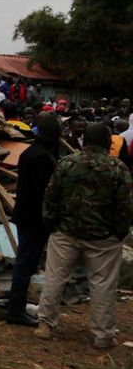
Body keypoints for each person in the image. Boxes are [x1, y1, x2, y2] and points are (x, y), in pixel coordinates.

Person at [35, 122, 133, 349]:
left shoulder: (67, 163)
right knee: (102, 285)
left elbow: (51, 197)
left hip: (66, 232)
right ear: (107, 143)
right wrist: (120, 231)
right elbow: (125, 205)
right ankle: (103, 336)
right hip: (103, 238)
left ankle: (45, 324)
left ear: (84, 140)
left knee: (55, 278)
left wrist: (52, 224)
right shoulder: (117, 168)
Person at [6, 113, 62, 325]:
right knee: (25, 264)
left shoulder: (32, 151)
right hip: (34, 218)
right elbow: (44, 193)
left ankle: (17, 308)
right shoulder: (41, 157)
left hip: (27, 216)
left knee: (26, 263)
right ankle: (16, 311)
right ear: (53, 133)